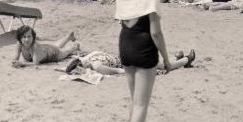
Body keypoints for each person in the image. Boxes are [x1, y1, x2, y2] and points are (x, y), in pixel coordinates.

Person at [66, 48, 196, 75]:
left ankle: (177, 60)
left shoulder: (88, 59)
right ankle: (186, 60)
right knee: (158, 65)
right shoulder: (97, 66)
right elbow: (118, 70)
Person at [11, 26, 79, 67]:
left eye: (29, 36)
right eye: (24, 37)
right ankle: (68, 37)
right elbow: (16, 56)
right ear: (20, 38)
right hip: (46, 48)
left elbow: (35, 63)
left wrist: (22, 64)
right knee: (55, 46)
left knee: (65, 52)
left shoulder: (34, 46)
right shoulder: (19, 44)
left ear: (33, 37)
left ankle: (74, 47)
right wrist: (14, 61)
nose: (27, 39)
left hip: (54, 54)